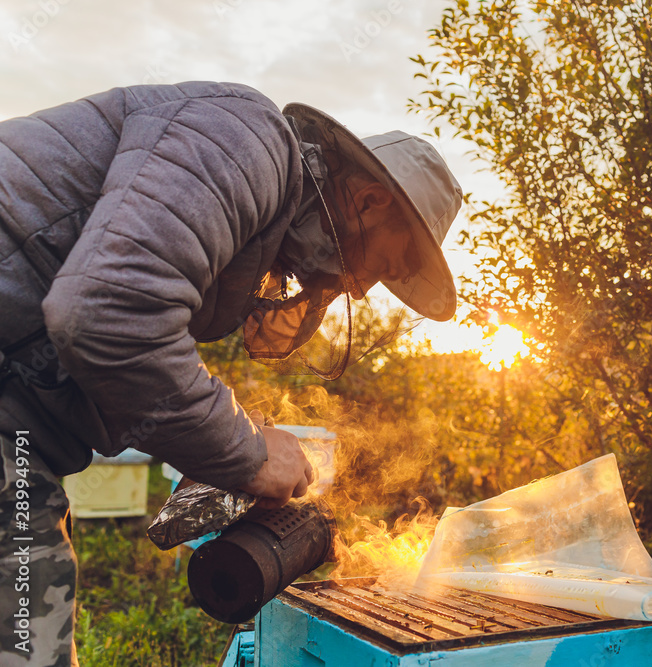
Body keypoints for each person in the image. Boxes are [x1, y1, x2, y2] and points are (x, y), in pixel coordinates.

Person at [0, 81, 462, 666]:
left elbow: (115, 347)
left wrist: (229, 434)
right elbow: (105, 313)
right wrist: (248, 451)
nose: (359, 288)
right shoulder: (247, 138)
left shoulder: (250, 213)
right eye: (383, 266)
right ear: (369, 202)